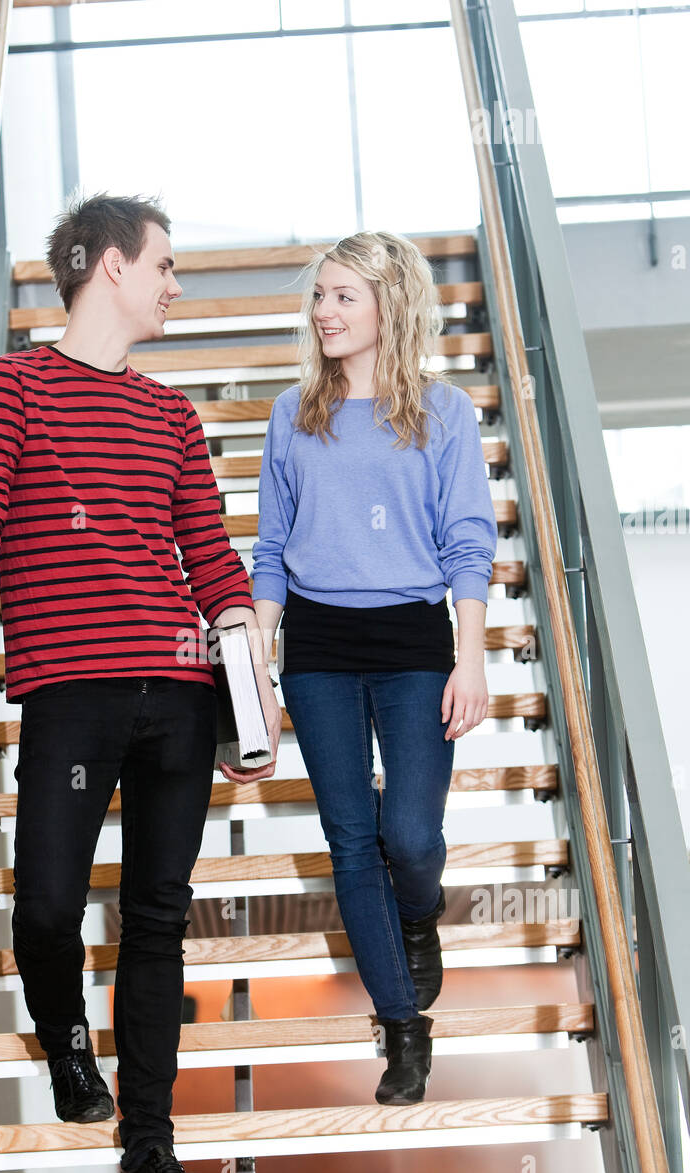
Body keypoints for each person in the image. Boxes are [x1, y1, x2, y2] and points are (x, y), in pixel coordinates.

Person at [0, 192, 281, 1173]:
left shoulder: (170, 413)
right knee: (44, 910)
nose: (175, 285)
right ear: (109, 266)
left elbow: (210, 560)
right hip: (69, 694)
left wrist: (249, 693)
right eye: (164, 264)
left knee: (157, 922)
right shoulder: (9, 389)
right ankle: (68, 1041)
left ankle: (146, 1154)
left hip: (178, 695)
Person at [236, 230, 498, 1105]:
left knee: (411, 838)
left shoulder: (442, 410)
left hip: (416, 640)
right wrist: (262, 666)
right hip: (319, 644)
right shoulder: (291, 414)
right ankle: (402, 1029)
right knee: (351, 839)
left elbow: (466, 541)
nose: (324, 312)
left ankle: (417, 915)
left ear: (391, 304)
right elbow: (270, 551)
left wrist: (472, 659)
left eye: (344, 296)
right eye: (320, 297)